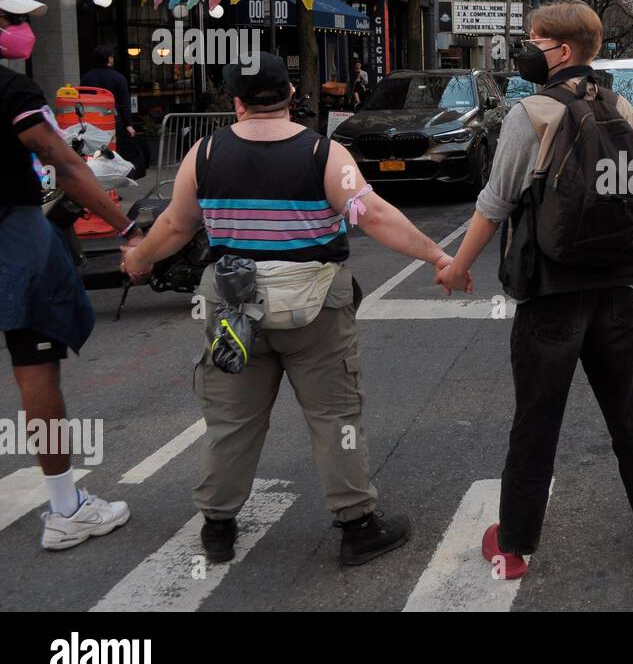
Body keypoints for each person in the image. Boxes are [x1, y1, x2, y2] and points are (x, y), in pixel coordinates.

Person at [121, 51, 457, 567]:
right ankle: (357, 525)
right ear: (290, 98)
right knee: (333, 416)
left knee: (231, 419)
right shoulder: (324, 154)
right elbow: (372, 215)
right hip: (315, 307)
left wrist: (139, 262)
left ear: (235, 101)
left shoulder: (204, 154)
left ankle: (218, 525)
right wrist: (436, 254)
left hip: (233, 309)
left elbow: (174, 227)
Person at [435, 0, 633, 578]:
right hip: (616, 290)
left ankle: (513, 546)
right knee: (630, 416)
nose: (525, 50)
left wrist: (457, 265)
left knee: (536, 419)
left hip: (549, 294)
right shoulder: (622, 109)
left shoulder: (530, 114)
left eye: (535, 41)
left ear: (561, 51)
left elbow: (495, 204)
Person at [0, 0, 134, 550]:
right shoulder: (13, 94)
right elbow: (70, 169)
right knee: (36, 368)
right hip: (12, 237)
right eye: (9, 20)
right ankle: (65, 508)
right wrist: (128, 229)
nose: (20, 30)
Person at [81, 44, 145, 178]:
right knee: (113, 154)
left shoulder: (87, 77)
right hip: (113, 122)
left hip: (91, 121)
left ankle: (95, 182)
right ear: (109, 59)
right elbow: (124, 103)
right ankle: (112, 185)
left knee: (94, 155)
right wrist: (129, 124)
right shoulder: (118, 78)